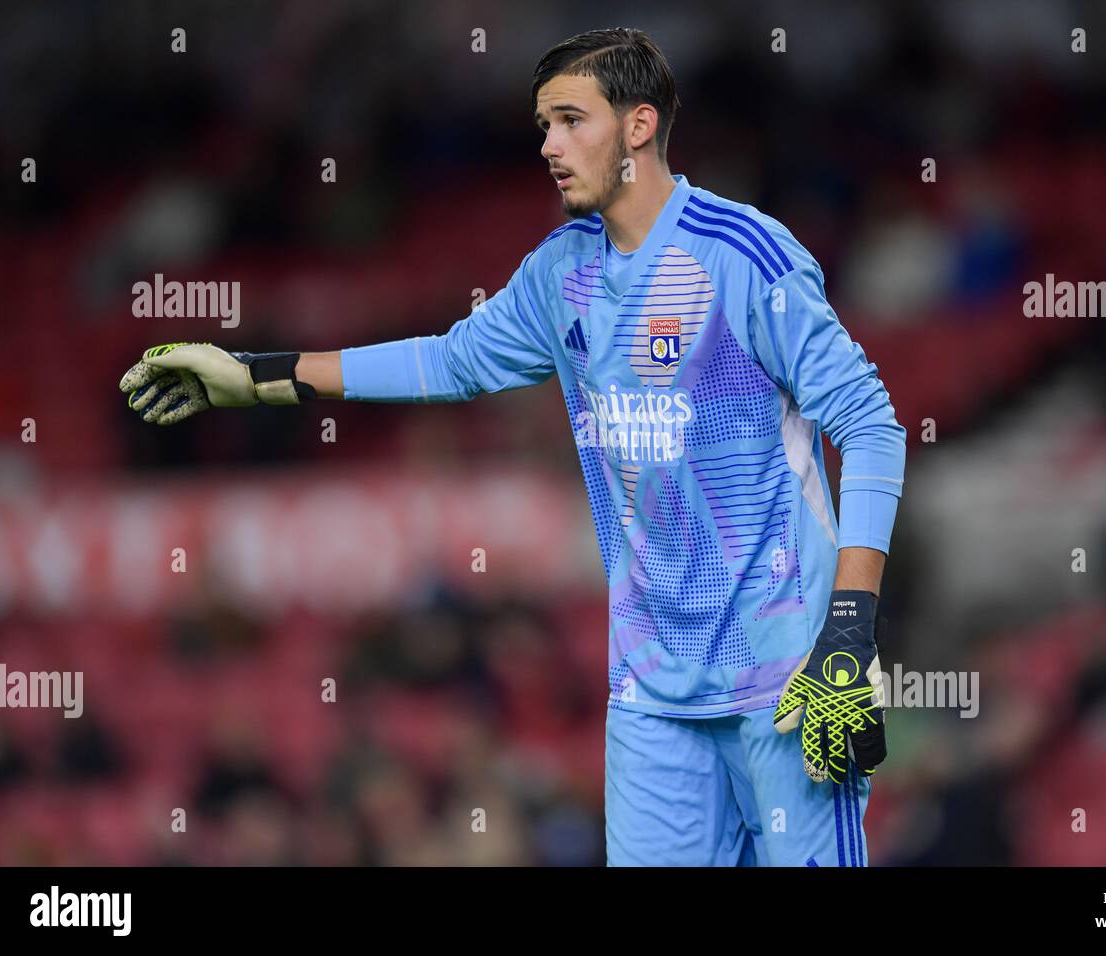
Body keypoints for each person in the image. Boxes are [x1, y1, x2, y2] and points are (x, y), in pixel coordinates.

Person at [118, 27, 906, 867]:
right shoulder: (559, 274)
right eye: (542, 125)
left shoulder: (745, 253)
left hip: (785, 679)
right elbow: (448, 360)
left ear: (639, 126)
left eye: (571, 120)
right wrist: (252, 374)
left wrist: (848, 631)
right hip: (651, 695)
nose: (549, 146)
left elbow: (870, 424)